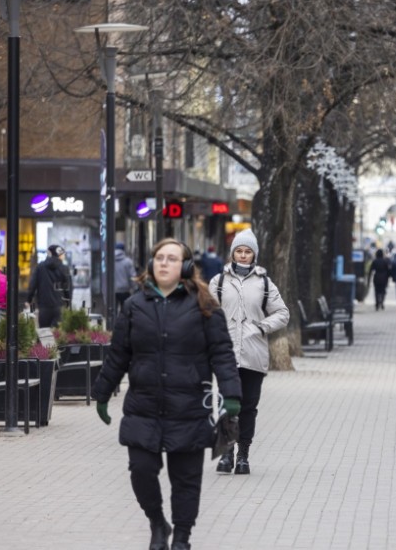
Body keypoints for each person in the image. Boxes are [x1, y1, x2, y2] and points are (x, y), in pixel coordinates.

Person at [93, 238, 242, 550]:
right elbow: (118, 354)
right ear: (151, 264)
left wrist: (231, 395)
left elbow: (222, 354)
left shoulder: (205, 305)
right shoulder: (134, 306)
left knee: (186, 480)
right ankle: (157, 522)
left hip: (187, 406)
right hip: (144, 407)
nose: (163, 263)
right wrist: (103, 392)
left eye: (172, 258)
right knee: (141, 471)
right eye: (159, 258)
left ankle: (183, 538)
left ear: (186, 267)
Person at [208, 228, 290, 475]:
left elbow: (283, 313)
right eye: (239, 251)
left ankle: (243, 454)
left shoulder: (264, 283)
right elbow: (206, 311)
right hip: (226, 354)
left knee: (248, 407)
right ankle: (226, 454)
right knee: (226, 404)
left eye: (247, 252)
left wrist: (263, 327)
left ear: (254, 255)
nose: (243, 256)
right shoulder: (219, 282)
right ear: (233, 253)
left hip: (254, 353)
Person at [26, 244, 72, 328]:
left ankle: (46, 341)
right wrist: (68, 303)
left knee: (44, 333)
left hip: (44, 306)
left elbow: (33, 285)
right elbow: (67, 288)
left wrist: (28, 300)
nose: (63, 256)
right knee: (57, 333)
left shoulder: (40, 267)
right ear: (59, 255)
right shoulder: (64, 268)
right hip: (59, 306)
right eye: (62, 254)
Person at [114, 243, 138, 311]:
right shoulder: (128, 262)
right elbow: (132, 276)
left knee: (112, 311)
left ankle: (113, 321)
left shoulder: (110, 261)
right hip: (124, 291)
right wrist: (135, 288)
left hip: (112, 290)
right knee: (125, 310)